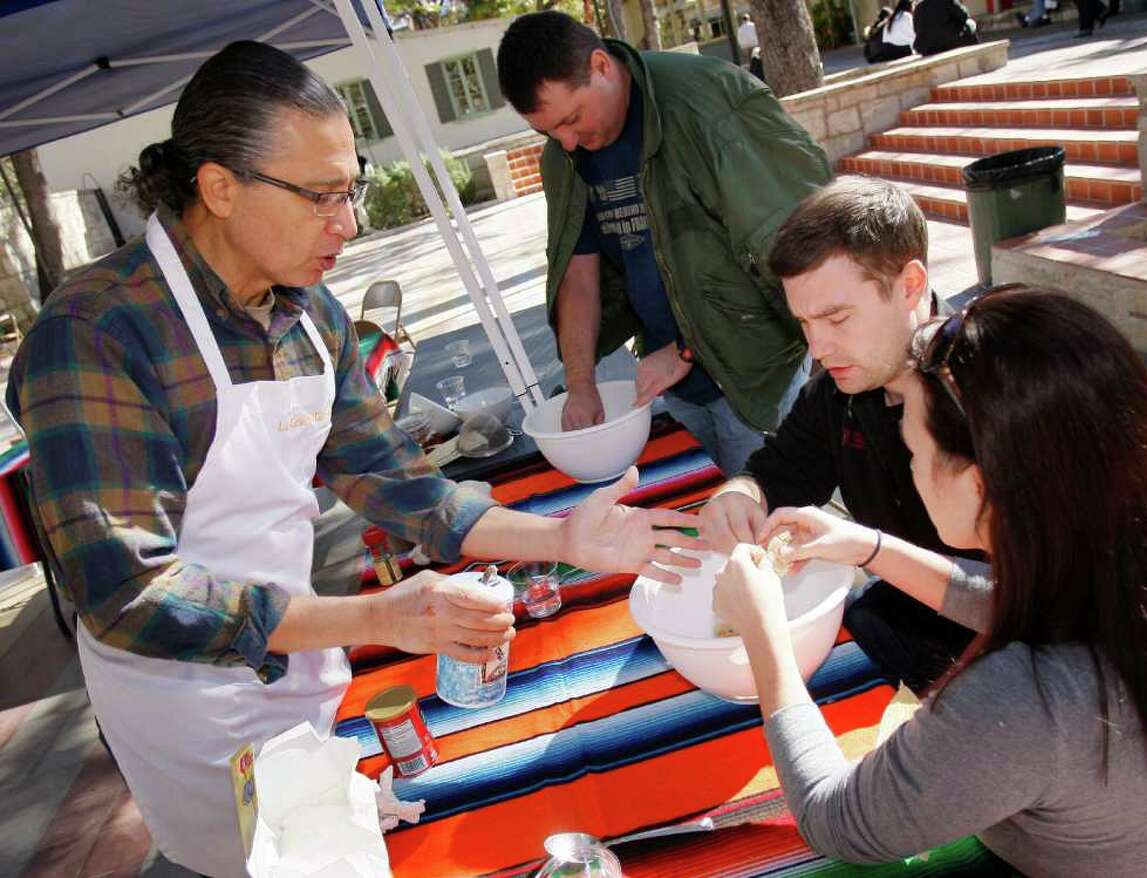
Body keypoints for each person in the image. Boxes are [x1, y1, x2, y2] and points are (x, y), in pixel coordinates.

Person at [5, 41, 702, 878]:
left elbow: (403, 488)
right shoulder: (96, 332)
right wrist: (376, 618)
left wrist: (562, 540)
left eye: (353, 190)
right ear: (219, 187)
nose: (349, 223)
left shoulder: (309, 316)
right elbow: (129, 591)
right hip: (184, 704)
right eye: (320, 197)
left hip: (302, 647)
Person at [714, 287, 1147, 874]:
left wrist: (765, 637)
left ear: (976, 486)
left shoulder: (1018, 699)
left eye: (914, 450)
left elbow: (838, 819)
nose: (909, 464)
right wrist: (869, 547)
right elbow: (1036, 606)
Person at [496, 11, 833, 477]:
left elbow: (792, 241)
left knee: (767, 525)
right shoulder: (567, 154)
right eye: (549, 131)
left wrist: (685, 351)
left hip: (753, 375)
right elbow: (578, 271)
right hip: (670, 384)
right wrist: (580, 384)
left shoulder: (709, 103)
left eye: (572, 118)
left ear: (601, 65)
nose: (568, 142)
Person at [699, 177, 975, 692]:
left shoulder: (1001, 391)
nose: (818, 347)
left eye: (836, 317)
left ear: (909, 285)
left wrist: (869, 550)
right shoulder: (837, 391)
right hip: (903, 627)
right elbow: (779, 468)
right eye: (804, 322)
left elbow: (1042, 603)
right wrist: (740, 493)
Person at [912, 0, 979, 56]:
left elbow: (916, 29)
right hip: (949, 43)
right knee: (970, 23)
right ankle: (977, 54)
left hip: (927, 48)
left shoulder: (918, 7)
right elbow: (964, 16)